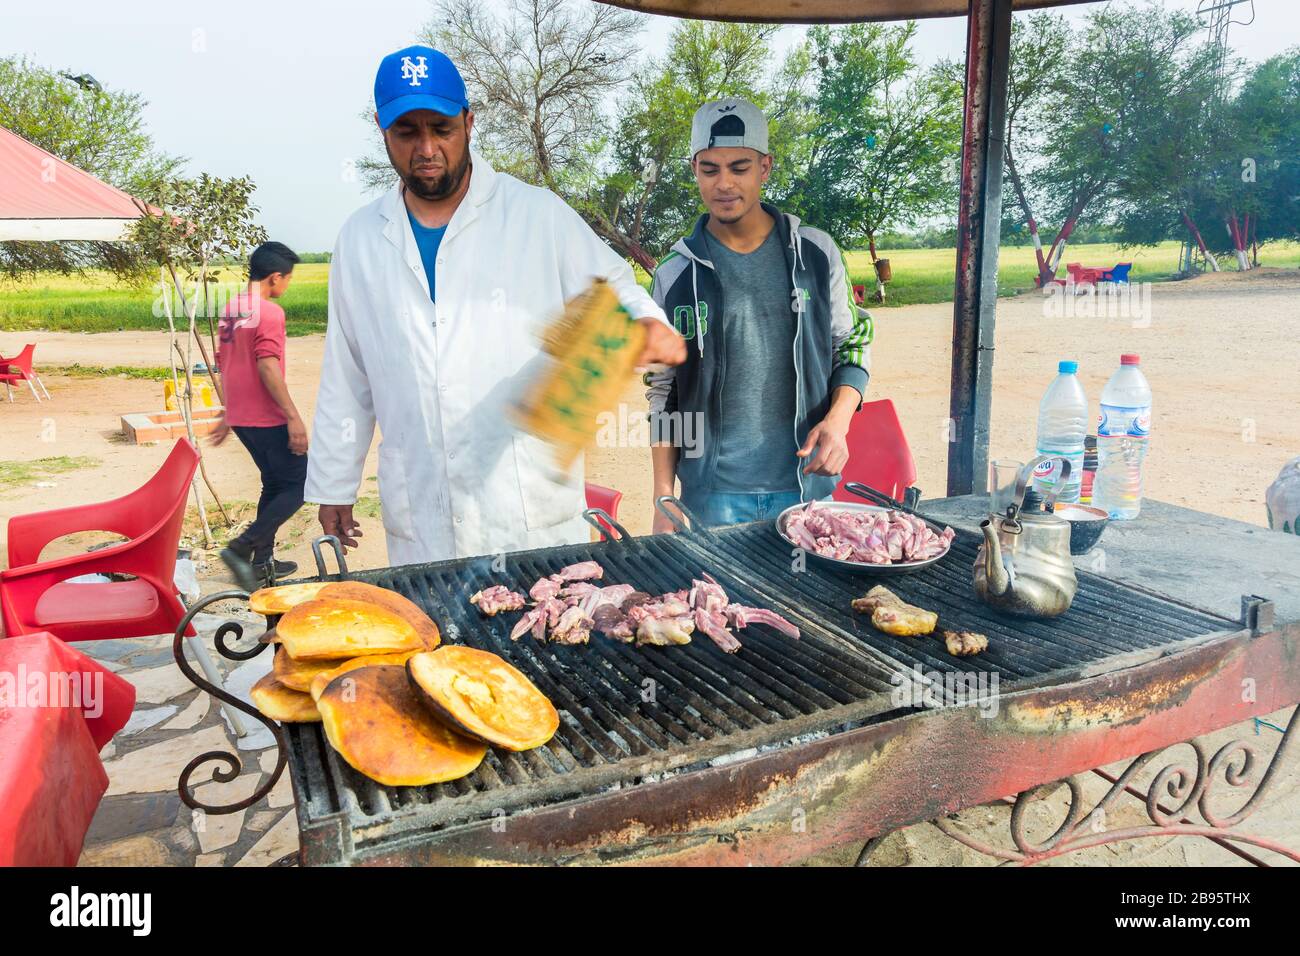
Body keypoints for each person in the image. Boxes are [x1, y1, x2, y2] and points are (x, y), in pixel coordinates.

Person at [305, 46, 684, 565]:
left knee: (546, 631)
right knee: (436, 640)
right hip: (424, 516)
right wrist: (334, 484)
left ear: (469, 121)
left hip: (526, 514)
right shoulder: (361, 239)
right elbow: (347, 375)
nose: (427, 148)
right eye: (407, 133)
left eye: (441, 128)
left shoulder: (536, 214)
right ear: (381, 130)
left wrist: (646, 322)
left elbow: (616, 285)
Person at [646, 98, 874, 530]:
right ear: (694, 168)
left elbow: (852, 346)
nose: (724, 183)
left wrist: (838, 421)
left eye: (740, 167)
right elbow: (663, 392)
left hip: (806, 488)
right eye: (710, 169)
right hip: (710, 497)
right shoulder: (675, 275)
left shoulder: (816, 254)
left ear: (765, 167)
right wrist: (662, 495)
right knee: (715, 600)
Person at [213, 240, 308, 589]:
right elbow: (267, 367)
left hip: (242, 418)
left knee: (275, 482)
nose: (287, 285)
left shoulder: (231, 309)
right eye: (288, 279)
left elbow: (223, 363)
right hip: (267, 418)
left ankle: (262, 562)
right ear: (275, 277)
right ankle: (241, 548)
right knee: (300, 484)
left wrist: (227, 412)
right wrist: (294, 418)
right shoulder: (269, 312)